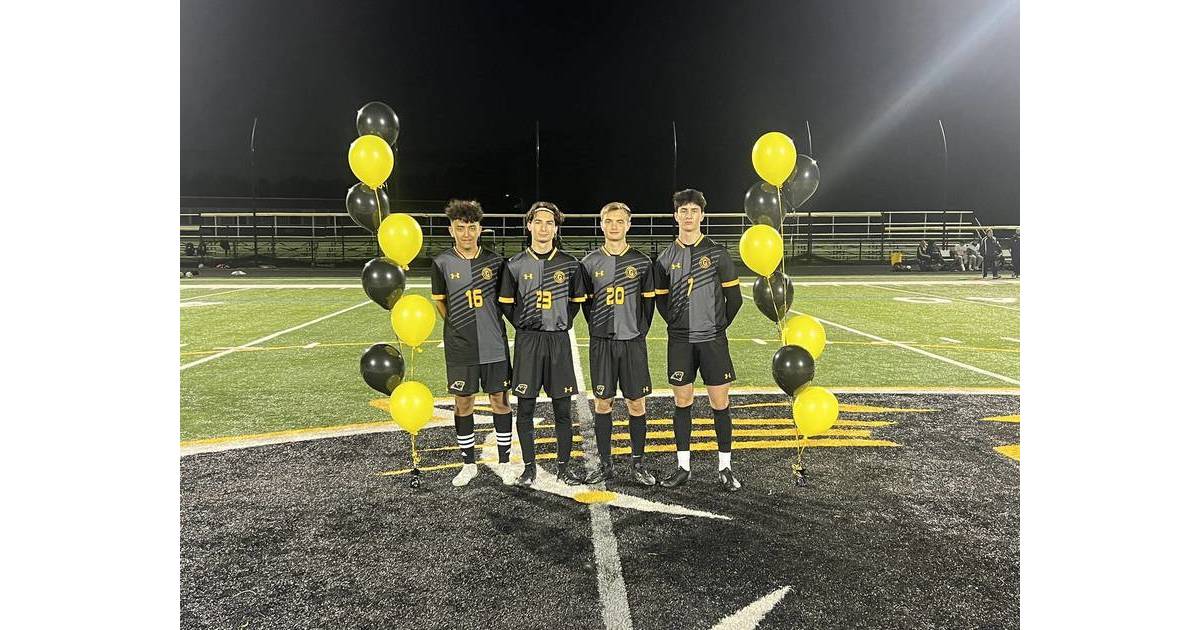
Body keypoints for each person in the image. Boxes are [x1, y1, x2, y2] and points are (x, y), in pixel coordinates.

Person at [653, 189, 745, 492]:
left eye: (694, 210)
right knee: (682, 401)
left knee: (720, 402)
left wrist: (716, 326)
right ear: (675, 216)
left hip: (713, 341)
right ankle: (683, 467)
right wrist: (680, 325)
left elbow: (734, 299)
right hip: (680, 342)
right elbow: (662, 302)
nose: (688, 215)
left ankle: (725, 468)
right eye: (683, 211)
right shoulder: (665, 257)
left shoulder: (718, 253)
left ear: (701, 215)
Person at [498, 202, 590, 487]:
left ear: (556, 228)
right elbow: (507, 306)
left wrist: (556, 322)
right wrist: (527, 326)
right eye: (538, 222)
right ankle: (529, 467)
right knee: (525, 409)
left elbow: (575, 305)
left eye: (550, 223)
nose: (544, 227)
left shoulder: (570, 264)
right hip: (527, 343)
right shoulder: (514, 265)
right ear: (529, 225)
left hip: (558, 342)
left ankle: (564, 467)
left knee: (562, 409)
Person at [429, 200, 515, 487]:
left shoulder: (496, 261)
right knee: (462, 403)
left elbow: (504, 303)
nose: (467, 233)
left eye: (472, 227)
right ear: (451, 230)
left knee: (500, 402)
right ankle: (468, 464)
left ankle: (504, 462)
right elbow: (441, 304)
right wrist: (459, 327)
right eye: (460, 228)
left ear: (480, 229)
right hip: (461, 348)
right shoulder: (441, 263)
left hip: (494, 345)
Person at [579, 202, 658, 487]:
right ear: (602, 225)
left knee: (636, 403)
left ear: (628, 224)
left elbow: (648, 305)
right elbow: (587, 306)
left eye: (620, 221)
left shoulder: (642, 262)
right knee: (604, 402)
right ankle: (605, 464)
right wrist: (600, 328)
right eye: (609, 221)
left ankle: (638, 463)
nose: (614, 226)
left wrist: (638, 330)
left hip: (633, 343)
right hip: (602, 343)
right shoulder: (588, 263)